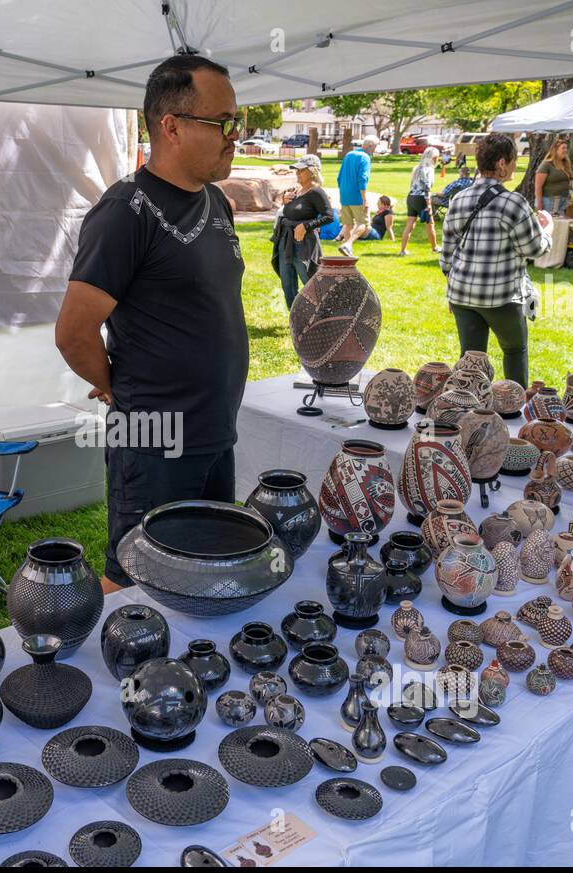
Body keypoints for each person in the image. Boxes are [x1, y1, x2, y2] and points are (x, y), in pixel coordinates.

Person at [55, 55, 248, 593]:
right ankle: (113, 671)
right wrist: (126, 390)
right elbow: (73, 332)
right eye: (224, 122)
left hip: (213, 430)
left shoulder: (216, 204)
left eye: (239, 122)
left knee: (204, 562)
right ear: (172, 126)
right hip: (153, 434)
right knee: (139, 575)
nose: (235, 136)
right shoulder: (125, 212)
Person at [440, 132, 552, 387]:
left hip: (462, 295)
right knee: (514, 351)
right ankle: (514, 408)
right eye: (513, 160)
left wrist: (452, 290)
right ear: (502, 163)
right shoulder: (513, 202)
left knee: (470, 361)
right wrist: (549, 230)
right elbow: (535, 248)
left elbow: (447, 255)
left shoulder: (458, 199)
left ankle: (463, 405)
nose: (515, 166)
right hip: (501, 297)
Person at [270, 154, 334, 308]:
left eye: (301, 170)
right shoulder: (296, 191)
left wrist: (307, 226)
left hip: (303, 244)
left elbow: (328, 216)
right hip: (285, 241)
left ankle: (321, 318)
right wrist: (284, 201)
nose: (297, 173)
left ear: (312, 171)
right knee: (287, 284)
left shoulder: (316, 192)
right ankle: (295, 320)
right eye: (296, 170)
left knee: (310, 283)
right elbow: (288, 212)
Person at [336, 135, 380, 255]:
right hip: (357, 196)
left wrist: (343, 191)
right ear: (370, 146)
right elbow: (363, 179)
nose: (375, 149)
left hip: (344, 195)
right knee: (363, 223)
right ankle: (347, 244)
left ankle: (347, 252)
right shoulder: (365, 157)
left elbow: (339, 177)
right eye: (375, 146)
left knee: (348, 224)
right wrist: (365, 199)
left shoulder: (349, 155)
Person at [399, 146, 442, 256]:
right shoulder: (429, 169)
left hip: (411, 197)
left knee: (409, 224)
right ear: (434, 157)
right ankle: (435, 247)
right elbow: (427, 187)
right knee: (430, 224)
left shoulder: (417, 168)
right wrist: (428, 204)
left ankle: (402, 250)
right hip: (421, 198)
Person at [534, 137, 572, 216]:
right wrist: (539, 203)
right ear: (555, 150)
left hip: (564, 200)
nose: (565, 150)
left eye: (566, 148)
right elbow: (538, 186)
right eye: (563, 148)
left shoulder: (566, 164)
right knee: (552, 224)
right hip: (550, 201)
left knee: (561, 225)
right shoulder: (547, 164)